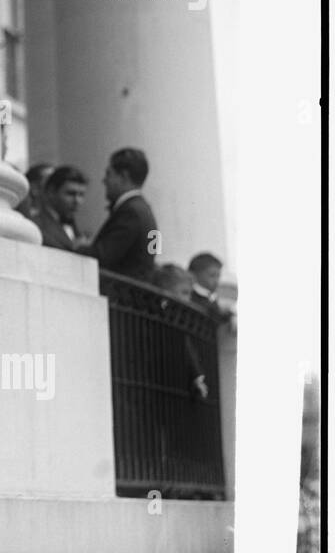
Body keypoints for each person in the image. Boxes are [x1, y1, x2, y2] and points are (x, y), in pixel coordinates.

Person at [85, 147, 159, 281]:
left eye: (109, 174)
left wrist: (78, 246)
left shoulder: (131, 212)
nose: (104, 180)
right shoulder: (144, 210)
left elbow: (103, 256)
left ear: (124, 176)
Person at [151, 263, 210, 401]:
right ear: (165, 291)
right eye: (184, 292)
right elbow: (184, 345)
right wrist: (197, 375)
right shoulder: (168, 314)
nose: (188, 299)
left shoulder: (178, 315)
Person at [37, 165, 88, 251]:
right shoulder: (37, 225)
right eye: (71, 194)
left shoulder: (77, 231)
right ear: (51, 192)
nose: (77, 201)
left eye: (81, 195)